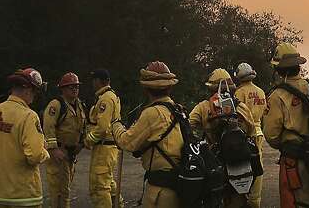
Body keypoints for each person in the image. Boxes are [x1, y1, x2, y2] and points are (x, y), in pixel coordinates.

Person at [263, 43, 309, 208]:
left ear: (279, 70)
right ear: (298, 66)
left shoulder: (277, 96)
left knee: (297, 202)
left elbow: (272, 135)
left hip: (295, 162)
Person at [110, 61, 183, 208]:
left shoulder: (152, 113)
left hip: (160, 190)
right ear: (169, 87)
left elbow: (126, 142)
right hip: (176, 185)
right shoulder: (177, 109)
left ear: (146, 88)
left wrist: (116, 124)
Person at [0, 68, 51, 207]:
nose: (35, 96)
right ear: (27, 89)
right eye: (35, 91)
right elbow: (35, 156)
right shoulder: (29, 116)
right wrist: (45, 150)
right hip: (22, 196)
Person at [189, 68, 256, 208]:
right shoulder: (241, 107)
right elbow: (251, 130)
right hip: (239, 161)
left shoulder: (203, 107)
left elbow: (189, 126)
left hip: (214, 162)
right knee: (238, 198)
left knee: (215, 198)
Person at [43, 73, 86, 208]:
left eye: (76, 87)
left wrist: (81, 143)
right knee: (58, 190)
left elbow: (83, 126)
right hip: (59, 154)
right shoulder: (56, 105)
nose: (74, 89)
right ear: (62, 89)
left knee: (66, 189)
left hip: (70, 154)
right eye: (70, 87)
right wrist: (54, 149)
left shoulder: (79, 105)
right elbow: (48, 126)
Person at [84, 69, 121, 208]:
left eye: (94, 80)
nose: (93, 83)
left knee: (99, 186)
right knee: (108, 183)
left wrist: (87, 140)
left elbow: (102, 127)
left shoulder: (106, 98)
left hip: (104, 147)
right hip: (108, 147)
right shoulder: (111, 96)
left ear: (100, 81)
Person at [233, 62, 267, 208]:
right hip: (259, 133)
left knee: (243, 168)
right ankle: (255, 201)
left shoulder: (239, 92)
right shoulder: (260, 91)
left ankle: (243, 199)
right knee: (258, 167)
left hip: (245, 134)